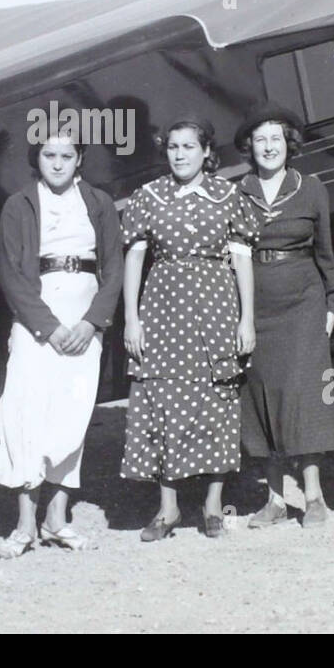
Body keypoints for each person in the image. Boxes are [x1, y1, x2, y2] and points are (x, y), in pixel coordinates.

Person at [121, 116, 259, 540]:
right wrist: (131, 319)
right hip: (162, 312)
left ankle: (213, 506)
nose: (179, 155)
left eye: (188, 147)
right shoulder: (149, 197)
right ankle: (168, 509)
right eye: (173, 147)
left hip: (216, 308)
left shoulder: (227, 196)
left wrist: (246, 319)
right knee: (164, 401)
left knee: (217, 402)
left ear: (205, 152)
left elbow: (241, 260)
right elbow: (134, 259)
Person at [0, 130, 122, 558]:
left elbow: (114, 268)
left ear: (80, 158)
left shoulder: (99, 203)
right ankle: (25, 524)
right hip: (36, 321)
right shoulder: (19, 204)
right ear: (38, 159)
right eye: (49, 155)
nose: (58, 163)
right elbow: (10, 272)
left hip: (84, 317)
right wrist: (47, 326)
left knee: (73, 414)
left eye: (68, 155)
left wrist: (91, 322)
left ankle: (57, 519)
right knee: (26, 413)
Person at [233, 103, 334, 529]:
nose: (268, 147)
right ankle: (275, 500)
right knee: (262, 397)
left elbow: (326, 255)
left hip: (304, 306)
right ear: (250, 147)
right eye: (260, 140)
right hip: (255, 309)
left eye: (275, 139)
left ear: (289, 144)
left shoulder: (312, 188)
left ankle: (314, 497)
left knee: (301, 396)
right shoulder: (236, 192)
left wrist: (331, 309)